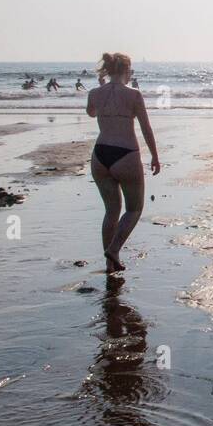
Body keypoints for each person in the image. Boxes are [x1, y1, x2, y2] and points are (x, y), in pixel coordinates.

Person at [87, 52, 160, 273]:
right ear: (127, 71)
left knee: (111, 211)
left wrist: (100, 87)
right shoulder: (134, 95)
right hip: (126, 153)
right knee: (134, 208)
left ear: (108, 71)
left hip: (100, 154)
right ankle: (115, 249)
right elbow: (146, 128)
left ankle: (110, 264)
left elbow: (91, 113)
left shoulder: (95, 93)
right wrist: (155, 156)